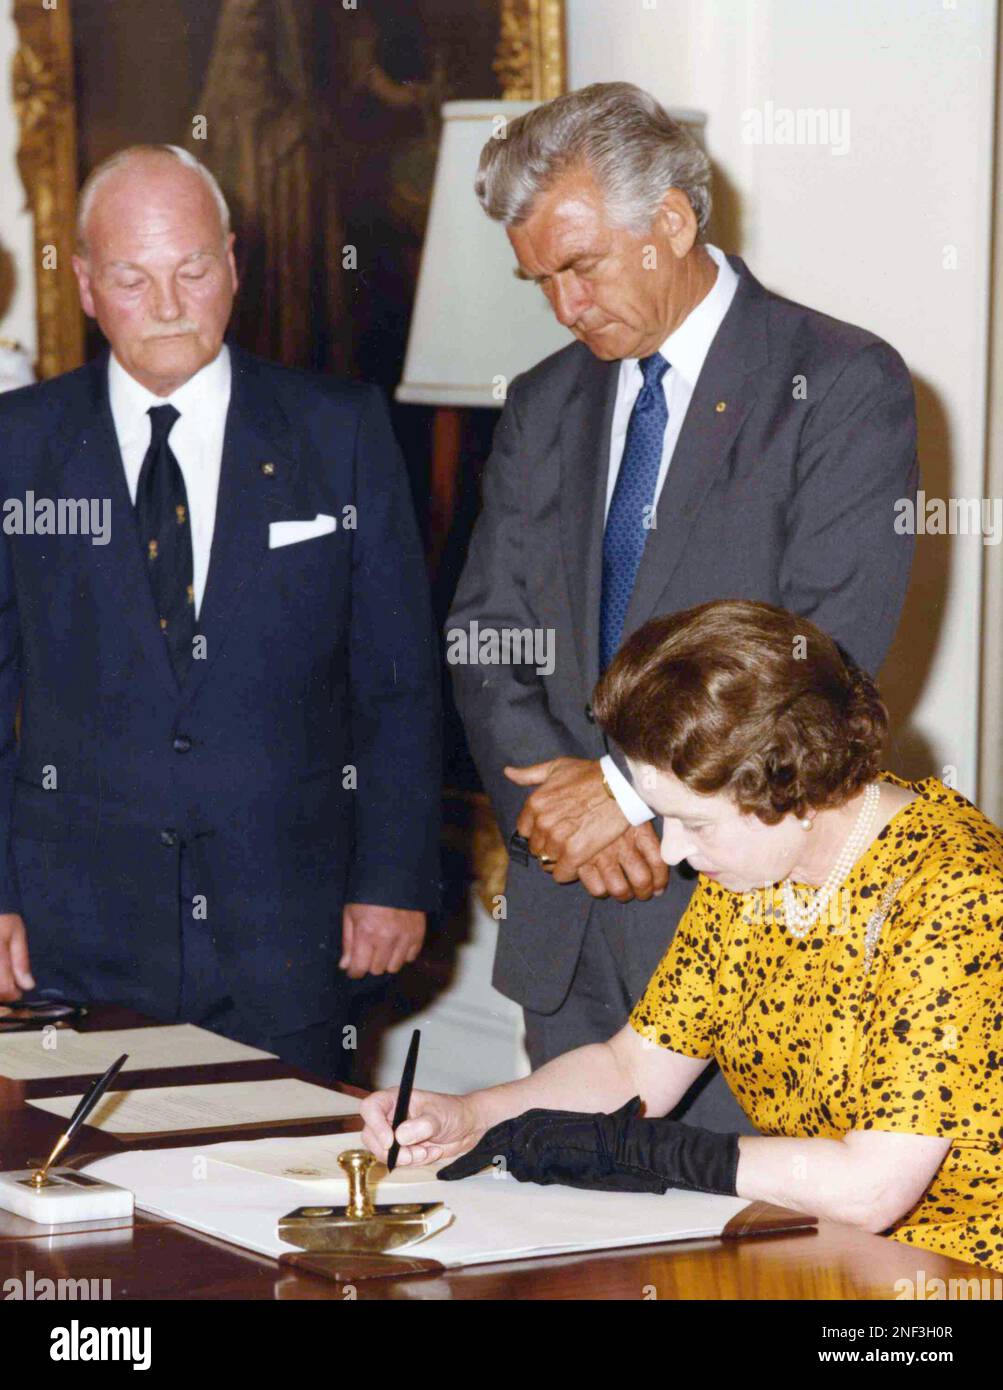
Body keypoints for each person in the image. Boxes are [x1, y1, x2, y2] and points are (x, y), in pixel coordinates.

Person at [447, 82, 918, 1132]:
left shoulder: (840, 383)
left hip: (748, 938)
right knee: (562, 1227)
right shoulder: (543, 401)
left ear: (668, 220)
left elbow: (825, 657)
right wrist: (567, 817)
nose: (564, 307)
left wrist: (628, 792)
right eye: (540, 281)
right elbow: (485, 633)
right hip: (569, 927)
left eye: (580, 267)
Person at [364, 601, 1003, 1273]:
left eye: (694, 824)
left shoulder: (957, 895)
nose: (671, 852)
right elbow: (633, 1068)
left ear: (795, 788)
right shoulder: (758, 870)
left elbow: (869, 1188)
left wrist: (645, 1152)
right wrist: (472, 1117)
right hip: (837, 1255)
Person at [0, 145, 440, 1079]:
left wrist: (392, 877)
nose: (167, 304)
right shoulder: (18, 445)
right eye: (132, 278)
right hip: (71, 933)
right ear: (85, 285)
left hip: (290, 932)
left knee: (288, 1164)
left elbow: (397, 681)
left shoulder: (340, 429)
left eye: (192, 270)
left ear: (233, 265)